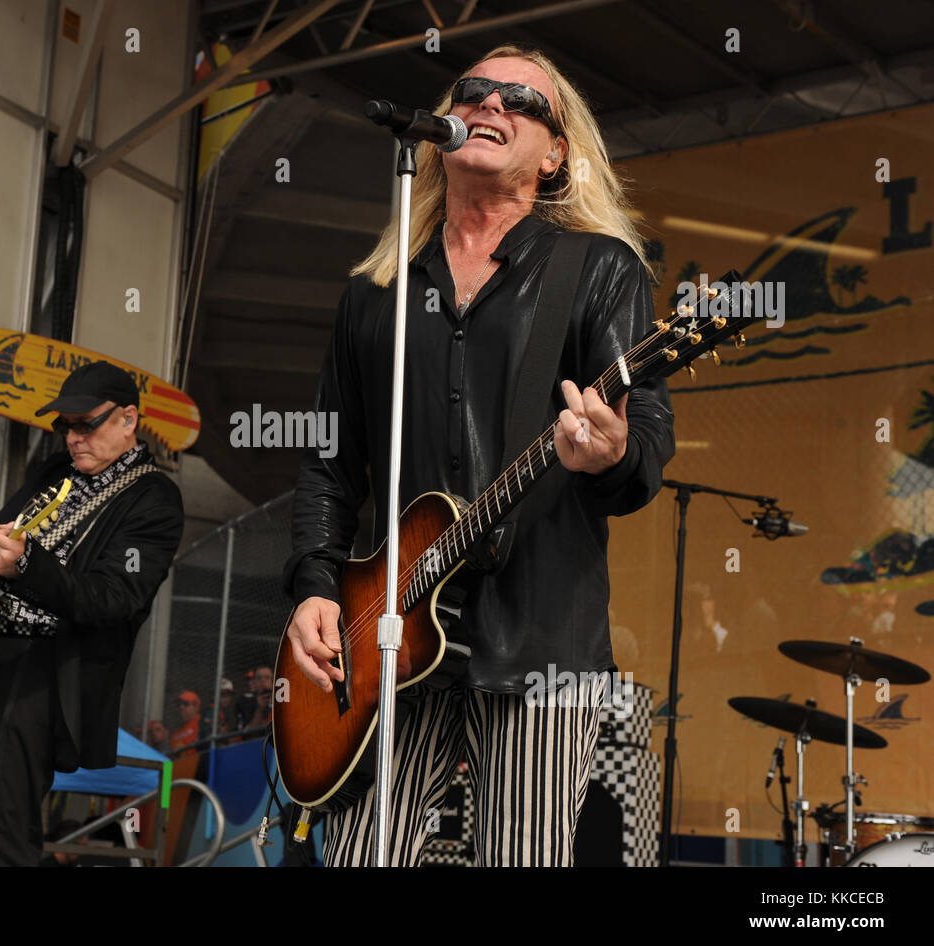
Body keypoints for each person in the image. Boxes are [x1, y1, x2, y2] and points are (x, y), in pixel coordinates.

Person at [283, 45, 675, 867]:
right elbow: (329, 460)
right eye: (476, 91)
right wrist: (317, 588)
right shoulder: (378, 289)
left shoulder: (599, 269)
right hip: (387, 634)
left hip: (540, 644)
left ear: (557, 153)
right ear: (440, 126)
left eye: (523, 102)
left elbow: (645, 452)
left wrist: (608, 452)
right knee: (358, 855)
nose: (493, 105)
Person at [0, 360, 184, 866]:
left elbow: (112, 600)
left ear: (128, 420)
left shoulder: (154, 497)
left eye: (86, 423)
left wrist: (28, 565)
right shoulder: (50, 472)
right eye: (65, 425)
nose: (73, 437)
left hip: (39, 676)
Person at [235, 665, 274, 729]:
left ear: (273, 681)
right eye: (259, 678)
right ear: (254, 682)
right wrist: (260, 709)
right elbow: (249, 732)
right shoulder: (245, 702)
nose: (262, 680)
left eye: (267, 677)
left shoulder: (282, 699)